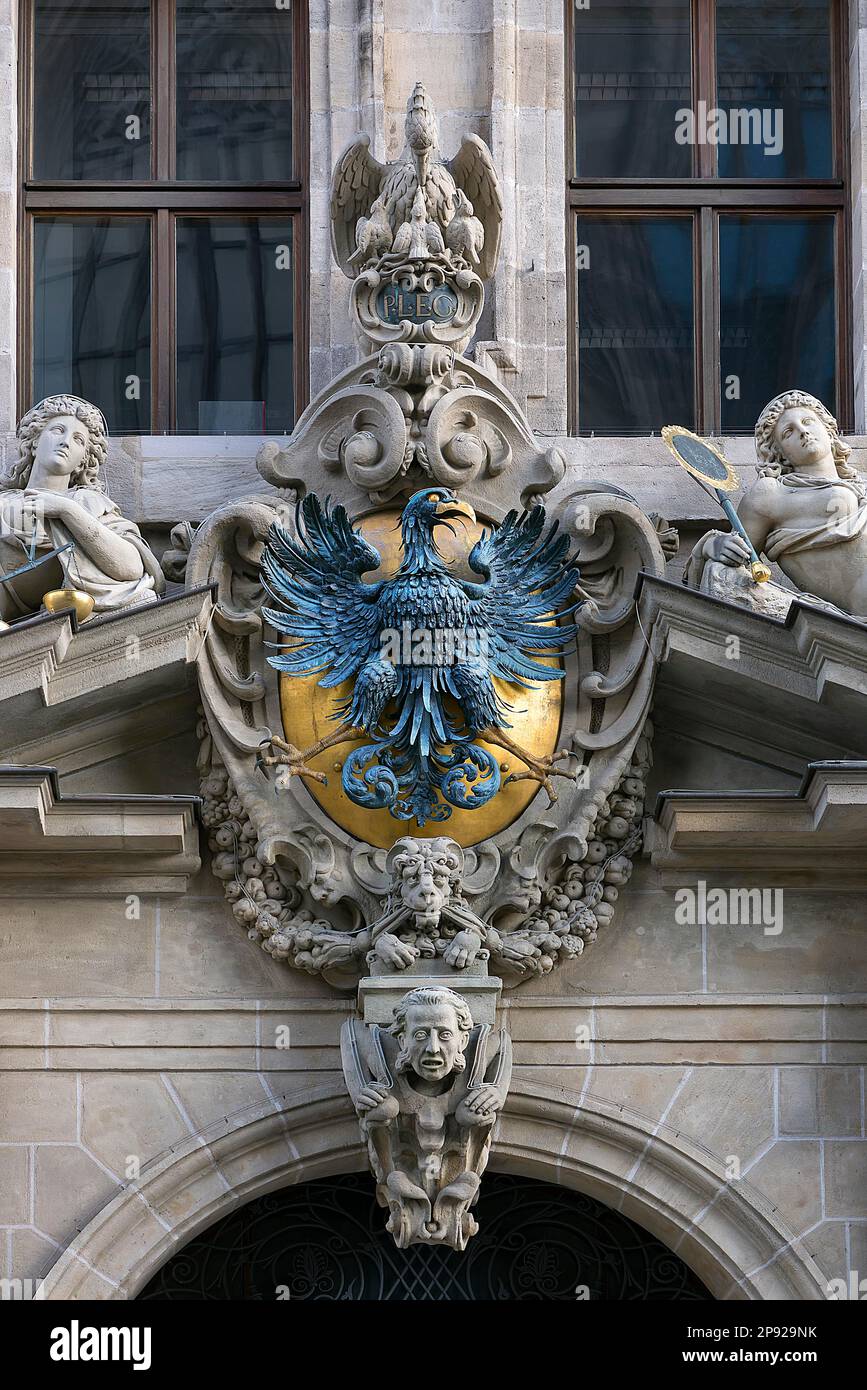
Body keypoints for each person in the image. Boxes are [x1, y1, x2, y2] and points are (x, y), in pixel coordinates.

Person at [691, 390, 867, 617]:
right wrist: (712, 545)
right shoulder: (771, 493)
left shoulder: (860, 485)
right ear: (780, 454)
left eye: (807, 422)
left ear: (828, 431)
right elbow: (737, 556)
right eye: (788, 432)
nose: (803, 431)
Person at [0, 394, 164, 622]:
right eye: (57, 430)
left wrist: (67, 510)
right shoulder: (3, 503)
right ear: (35, 441)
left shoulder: (87, 502)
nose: (66, 441)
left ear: (82, 460)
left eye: (78, 440)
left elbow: (131, 569)